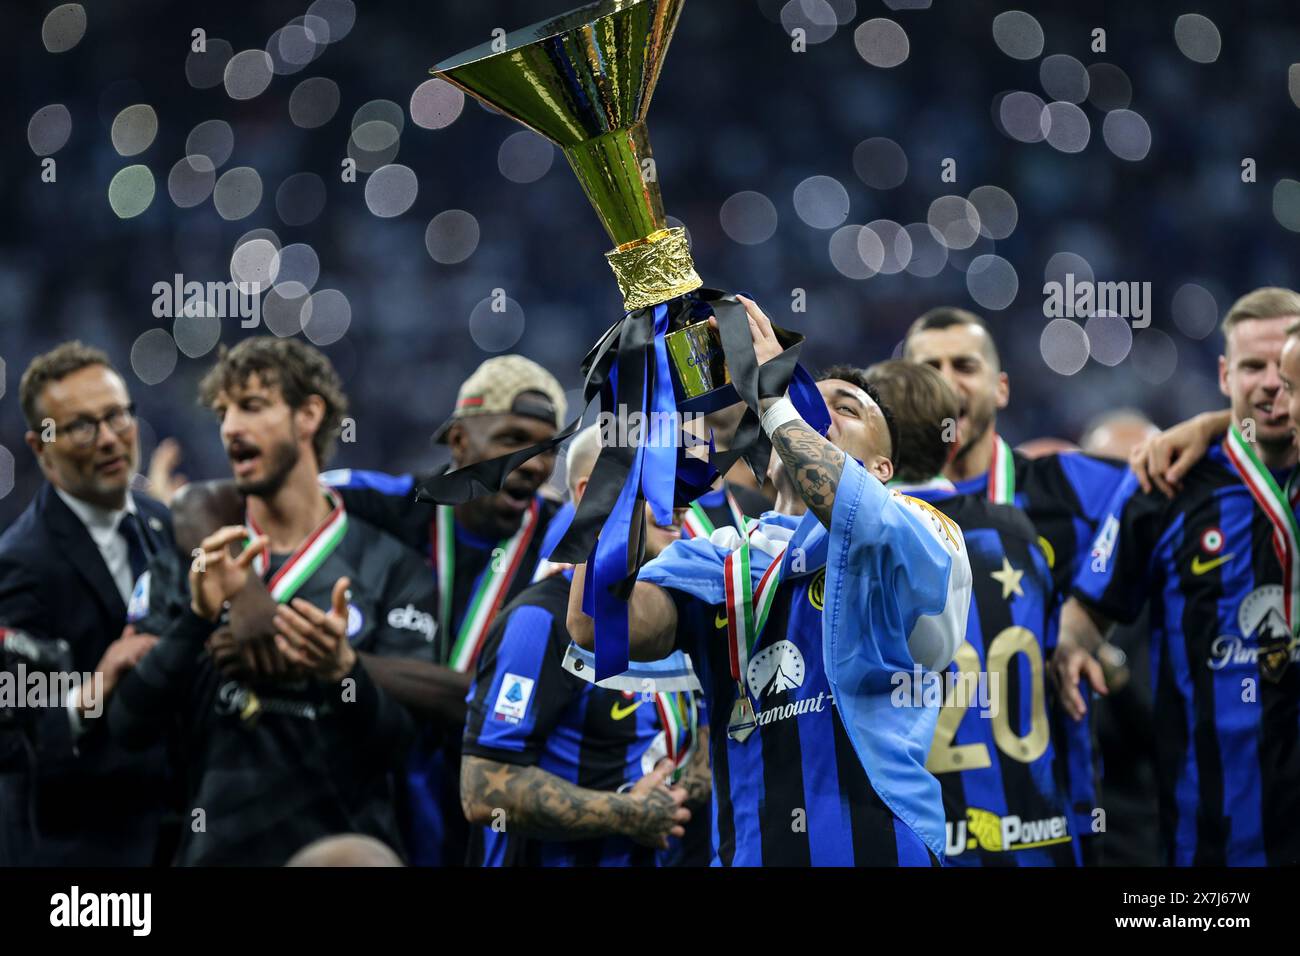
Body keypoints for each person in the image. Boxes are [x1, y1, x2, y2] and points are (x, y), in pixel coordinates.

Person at [569, 297, 971, 866]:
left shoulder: (916, 531)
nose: (819, 414)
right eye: (812, 400)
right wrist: (626, 448)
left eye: (847, 410)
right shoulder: (716, 561)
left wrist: (777, 403)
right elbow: (594, 623)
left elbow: (858, 514)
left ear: (883, 468)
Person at [108, 337, 439, 865]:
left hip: (344, 854)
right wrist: (195, 620)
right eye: (223, 412)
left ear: (309, 415)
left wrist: (341, 673)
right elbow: (127, 725)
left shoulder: (395, 569)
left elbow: (399, 745)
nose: (230, 427)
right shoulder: (197, 559)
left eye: (253, 407)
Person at [1057, 287, 1300, 865]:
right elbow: (1085, 616)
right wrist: (1071, 650)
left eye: (1286, 367)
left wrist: (1217, 422)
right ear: (1223, 373)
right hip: (1207, 840)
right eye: (1252, 367)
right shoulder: (1162, 486)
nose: (1271, 382)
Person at [904, 307, 1131, 860]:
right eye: (929, 367)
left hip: (1043, 824)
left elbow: (1159, 486)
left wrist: (1088, 615)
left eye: (965, 365)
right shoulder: (876, 517)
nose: (947, 381)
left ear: (1001, 388)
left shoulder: (1067, 490)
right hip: (917, 827)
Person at [461, 425, 709, 866]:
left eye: (679, 484)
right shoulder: (538, 621)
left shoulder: (684, 611)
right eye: (654, 482)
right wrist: (628, 814)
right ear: (588, 494)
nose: (676, 504)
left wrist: (684, 786)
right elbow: (483, 788)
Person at [867, 360, 1078, 866]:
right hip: (1038, 837)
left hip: (925, 843)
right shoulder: (1020, 533)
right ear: (954, 445)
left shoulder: (862, 549)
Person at [0, 342, 174, 865]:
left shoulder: (159, 522)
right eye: (81, 426)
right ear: (41, 445)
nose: (109, 439)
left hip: (177, 836)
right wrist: (91, 692)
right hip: (88, 856)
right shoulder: (19, 566)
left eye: (117, 415)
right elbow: (10, 740)